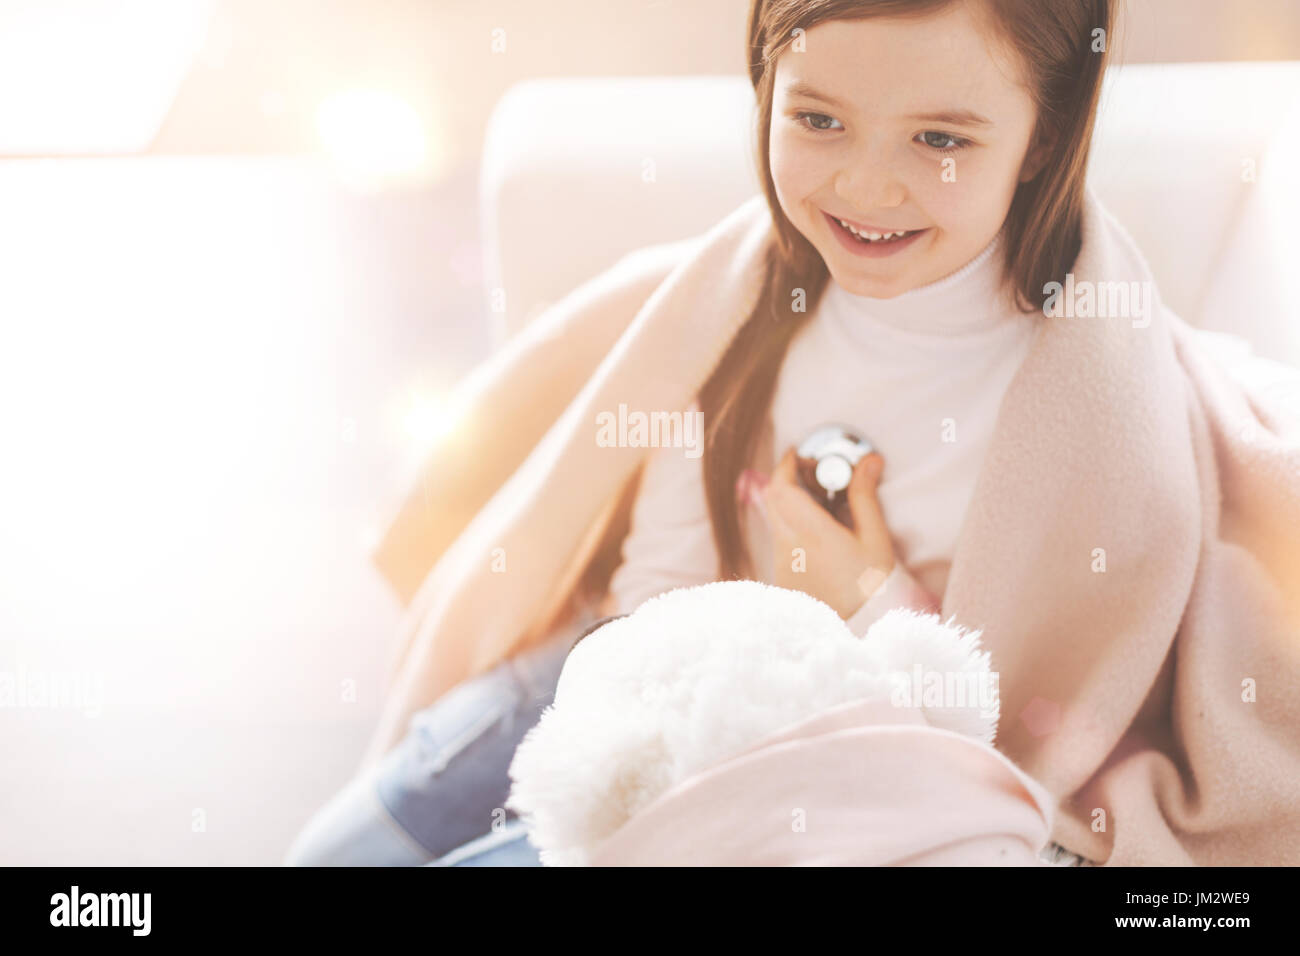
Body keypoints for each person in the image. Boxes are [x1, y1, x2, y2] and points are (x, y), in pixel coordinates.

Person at [286, 0, 1116, 866]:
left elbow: (1000, 726)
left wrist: (868, 595)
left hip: (806, 771)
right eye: (818, 119)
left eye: (941, 140)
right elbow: (655, 579)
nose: (867, 189)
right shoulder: (736, 299)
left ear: (1044, 140)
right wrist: (634, 705)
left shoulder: (1065, 391)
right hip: (621, 673)